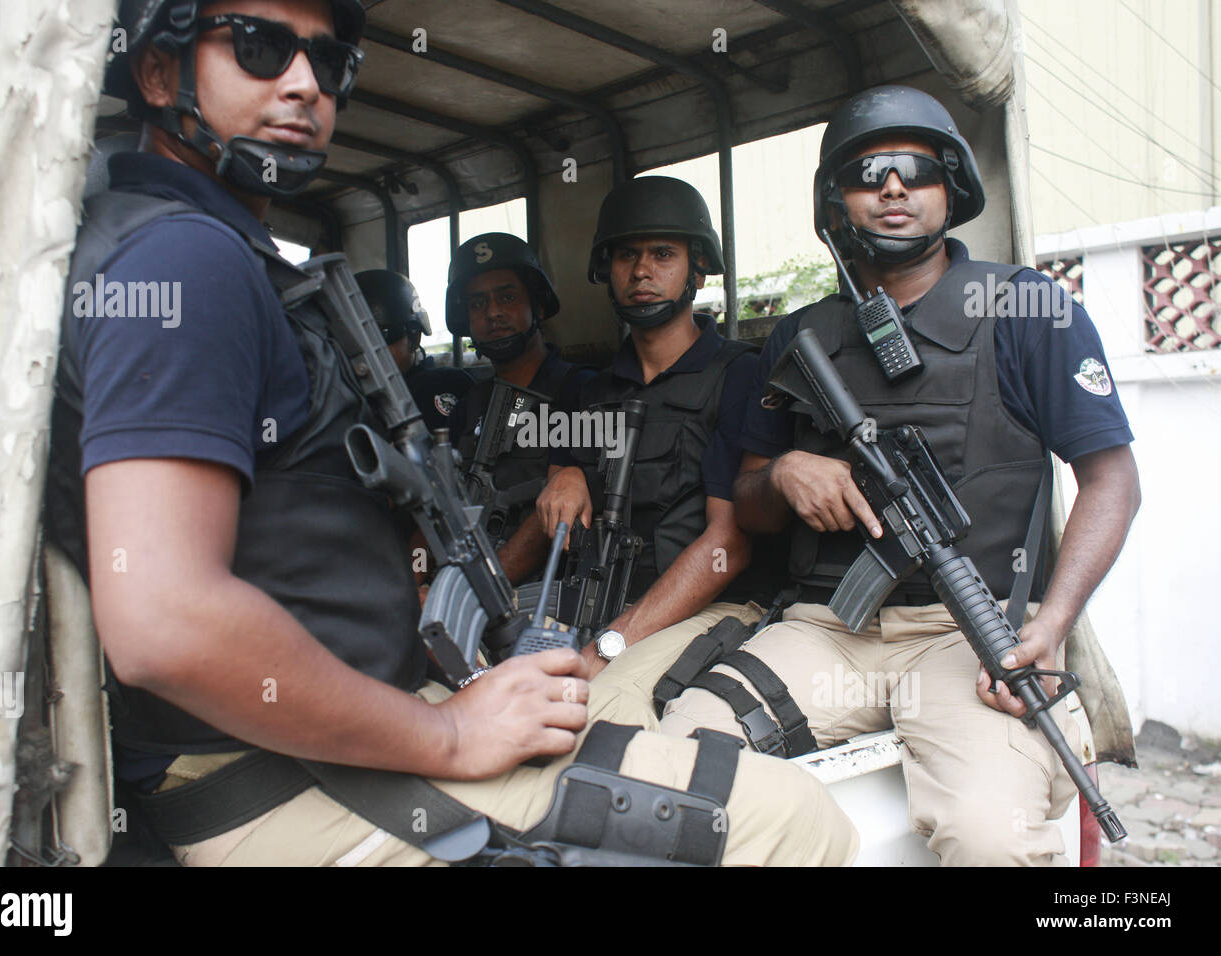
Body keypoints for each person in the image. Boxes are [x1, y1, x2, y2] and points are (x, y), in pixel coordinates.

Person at [42, 0, 858, 866]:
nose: (302, 83)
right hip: (301, 772)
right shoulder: (185, 260)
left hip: (338, 736)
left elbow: (728, 538)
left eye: (329, 62)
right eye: (259, 46)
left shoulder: (171, 249)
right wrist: (451, 733)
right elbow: (168, 619)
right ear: (157, 71)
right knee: (796, 818)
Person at [658, 85, 1142, 866]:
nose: (891, 187)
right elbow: (745, 510)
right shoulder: (802, 334)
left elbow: (1113, 481)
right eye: (867, 171)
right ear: (834, 202)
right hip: (828, 632)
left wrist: (1049, 628)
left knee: (991, 839)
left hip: (969, 635)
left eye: (916, 170)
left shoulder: (1024, 310)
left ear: (950, 188)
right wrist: (784, 472)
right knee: (671, 767)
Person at [536, 176, 785, 700]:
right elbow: (560, 480)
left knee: (592, 706)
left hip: (709, 606)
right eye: (627, 255)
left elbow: (729, 545)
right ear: (607, 269)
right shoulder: (592, 391)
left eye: (663, 254)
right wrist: (568, 473)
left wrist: (604, 648)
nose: (643, 271)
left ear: (698, 266)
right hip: (602, 603)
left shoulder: (738, 375)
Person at [447, 233, 594, 584]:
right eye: (477, 304)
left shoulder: (581, 390)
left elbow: (551, 514)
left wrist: (476, 592)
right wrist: (418, 582)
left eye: (507, 297)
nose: (493, 313)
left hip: (542, 589)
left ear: (537, 306)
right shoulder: (468, 405)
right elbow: (439, 504)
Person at [355, 268, 471, 441]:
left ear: (414, 335)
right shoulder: (340, 397)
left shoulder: (447, 385)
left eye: (381, 335)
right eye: (355, 341)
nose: (368, 351)